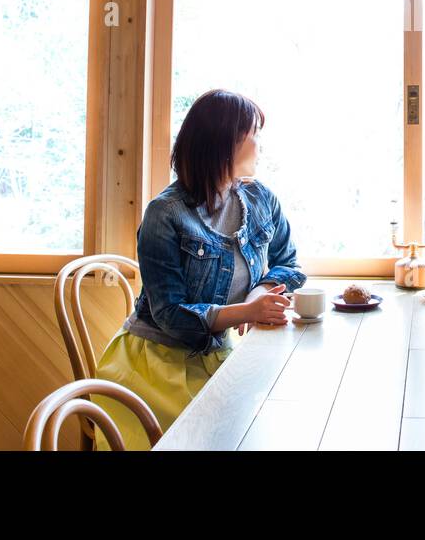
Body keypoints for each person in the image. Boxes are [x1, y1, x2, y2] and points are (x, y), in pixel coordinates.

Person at [94, 89, 305, 449]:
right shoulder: (165, 213)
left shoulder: (260, 199)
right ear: (225, 143)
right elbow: (169, 314)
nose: (259, 146)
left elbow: (289, 263)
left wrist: (257, 294)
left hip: (217, 357)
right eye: (254, 135)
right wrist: (244, 312)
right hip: (155, 366)